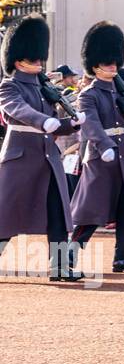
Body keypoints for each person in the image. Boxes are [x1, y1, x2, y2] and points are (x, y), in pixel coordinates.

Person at [68, 21, 124, 275]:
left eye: (114, 62)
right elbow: (91, 126)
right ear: (95, 65)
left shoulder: (120, 94)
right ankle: (66, 258)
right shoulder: (89, 95)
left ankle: (123, 258)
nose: (112, 66)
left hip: (121, 158)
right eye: (107, 63)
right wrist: (105, 146)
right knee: (89, 213)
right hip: (100, 158)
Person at [0, 15, 83, 281]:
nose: (38, 61)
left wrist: (72, 124)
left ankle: (58, 267)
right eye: (32, 57)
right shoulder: (9, 86)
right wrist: (45, 120)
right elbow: (19, 111)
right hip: (20, 158)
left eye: (38, 57)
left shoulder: (45, 88)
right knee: (7, 214)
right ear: (17, 59)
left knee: (57, 213)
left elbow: (54, 126)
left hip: (48, 158)